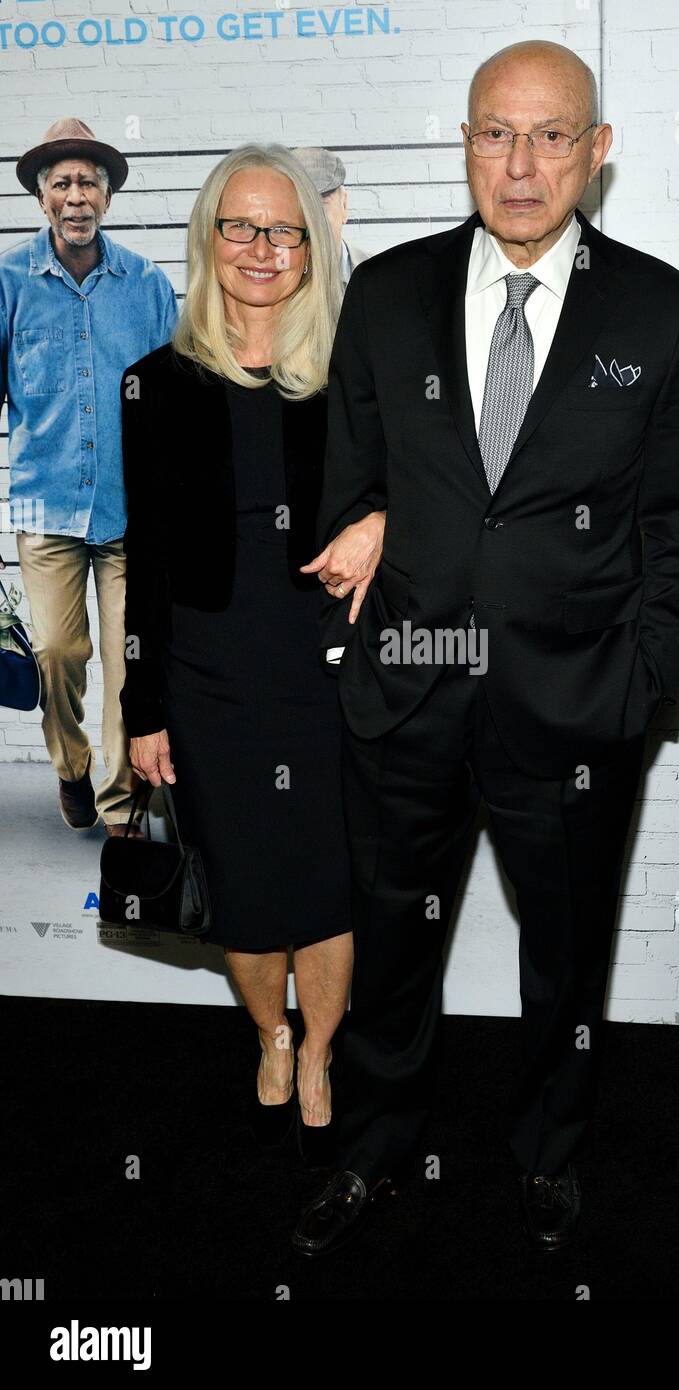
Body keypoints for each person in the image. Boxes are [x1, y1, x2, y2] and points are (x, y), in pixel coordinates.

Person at [293, 39, 679, 1255]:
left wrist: (639, 694)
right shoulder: (384, 296)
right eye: (493, 132)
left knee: (564, 965)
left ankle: (548, 1153)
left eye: (548, 136)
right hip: (406, 696)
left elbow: (675, 529)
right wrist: (357, 556)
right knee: (390, 953)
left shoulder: (662, 310)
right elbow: (344, 485)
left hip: (575, 708)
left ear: (596, 151)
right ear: (463, 144)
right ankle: (370, 1152)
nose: (519, 165)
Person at [118, 144, 385, 1140]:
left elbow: (422, 491)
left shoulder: (352, 376)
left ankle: (318, 1050)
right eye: (239, 225)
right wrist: (140, 712)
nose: (260, 248)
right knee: (238, 879)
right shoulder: (155, 384)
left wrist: (385, 521)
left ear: (312, 247)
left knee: (321, 881)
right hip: (206, 676)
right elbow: (143, 555)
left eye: (283, 230)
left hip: (326, 667)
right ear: (207, 238)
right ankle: (269, 1032)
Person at [0, 118, 178, 835]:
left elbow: (176, 402)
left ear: (107, 196)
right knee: (56, 653)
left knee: (130, 668)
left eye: (89, 182)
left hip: (130, 512)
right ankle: (71, 767)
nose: (77, 196)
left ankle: (118, 802)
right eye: (63, 183)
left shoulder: (147, 284)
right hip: (45, 510)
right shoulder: (9, 281)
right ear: (42, 199)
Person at [289, 148, 371, 286]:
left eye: (321, 204)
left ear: (343, 205)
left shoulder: (381, 276)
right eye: (298, 207)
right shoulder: (269, 282)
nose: (310, 220)